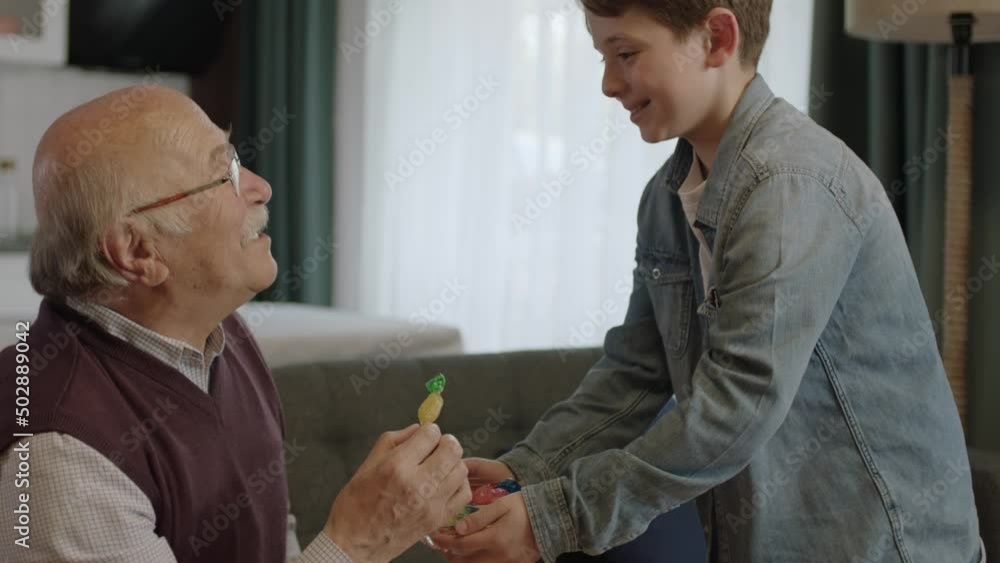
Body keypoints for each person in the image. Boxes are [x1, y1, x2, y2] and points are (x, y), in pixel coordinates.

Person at [433, 2, 984, 562]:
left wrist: (556, 519)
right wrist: (525, 471)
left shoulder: (792, 184)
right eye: (603, 56)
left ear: (717, 38)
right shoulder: (667, 200)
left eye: (626, 54)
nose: (607, 83)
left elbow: (739, 402)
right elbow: (634, 373)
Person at [0, 86, 471, 563]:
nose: (260, 186)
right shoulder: (59, 455)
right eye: (221, 175)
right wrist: (357, 544)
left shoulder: (225, 337)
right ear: (138, 251)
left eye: (236, 160)